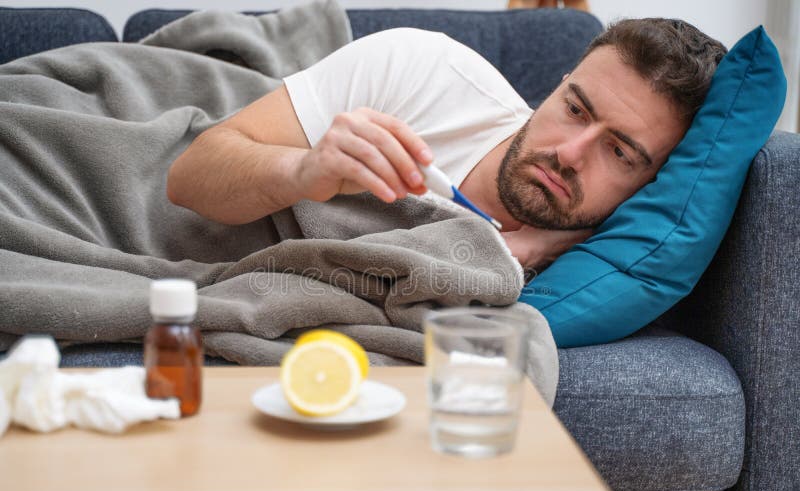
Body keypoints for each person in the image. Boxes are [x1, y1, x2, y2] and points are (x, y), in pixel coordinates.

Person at [167, 18, 726, 270]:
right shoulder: (420, 67)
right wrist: (301, 171)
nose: (571, 153)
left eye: (620, 153)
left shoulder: (611, 252)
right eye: (575, 110)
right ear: (557, 87)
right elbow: (189, 175)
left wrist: (525, 252)